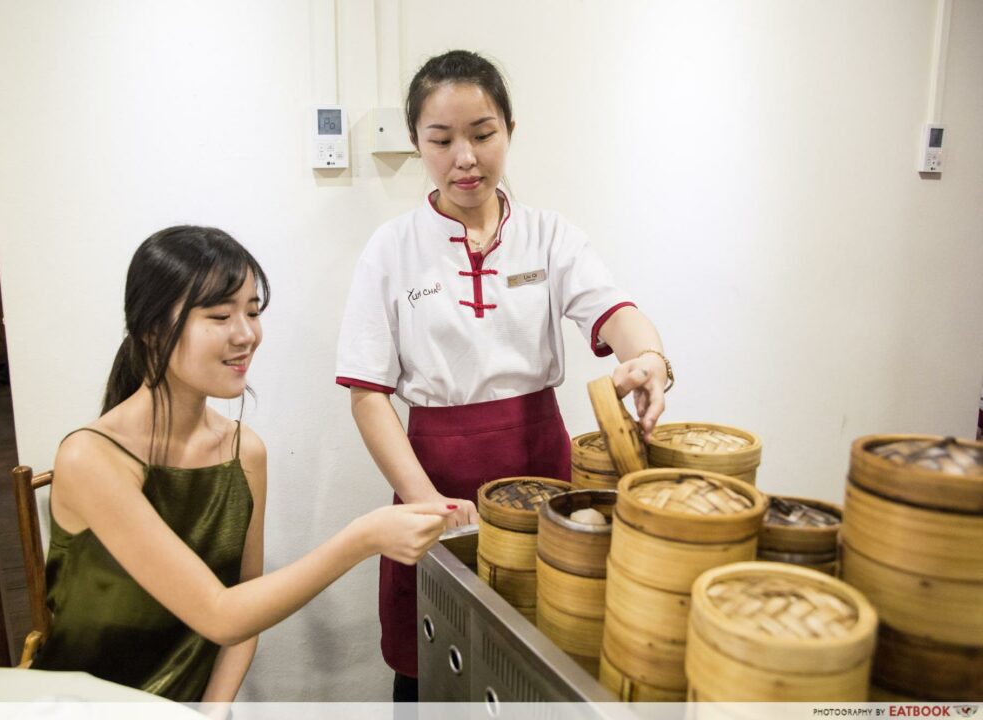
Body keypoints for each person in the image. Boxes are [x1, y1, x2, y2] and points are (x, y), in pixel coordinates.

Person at [335, 50, 672, 701]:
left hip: (542, 468)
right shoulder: (391, 250)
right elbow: (368, 396)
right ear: (416, 144)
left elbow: (615, 314)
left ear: (509, 131)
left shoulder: (550, 238)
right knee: (433, 668)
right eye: (442, 139)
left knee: (541, 665)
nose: (466, 157)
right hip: (429, 476)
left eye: (483, 134)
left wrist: (650, 357)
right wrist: (425, 498)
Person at [33, 226, 455, 702]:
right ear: (151, 329)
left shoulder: (243, 451)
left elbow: (244, 611)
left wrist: (212, 712)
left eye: (253, 312)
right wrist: (363, 538)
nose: (246, 334)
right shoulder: (92, 458)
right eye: (219, 315)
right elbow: (221, 613)